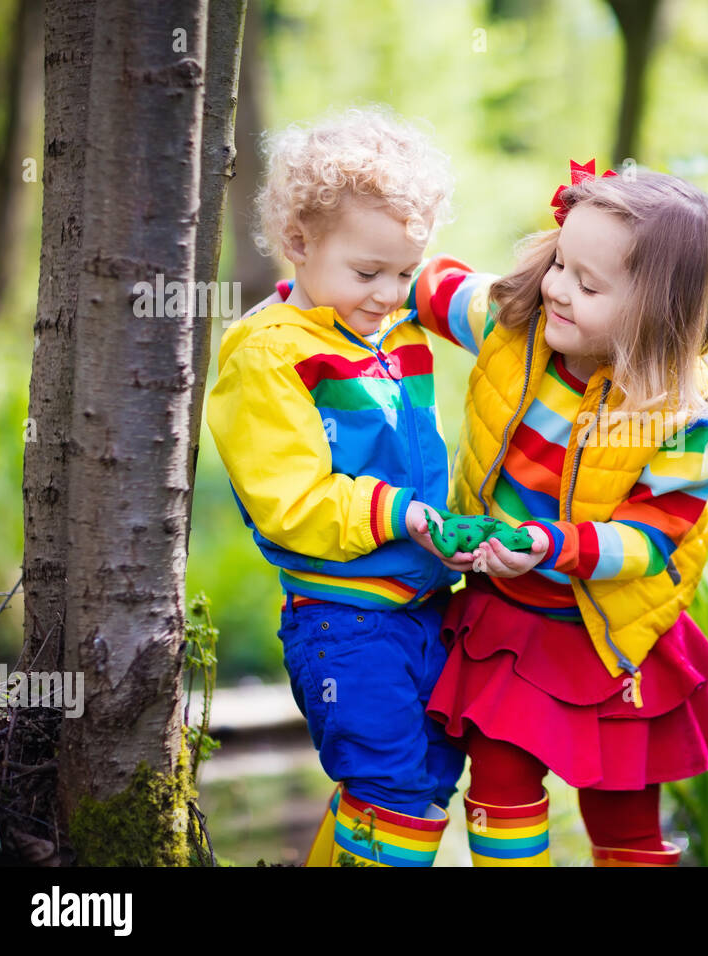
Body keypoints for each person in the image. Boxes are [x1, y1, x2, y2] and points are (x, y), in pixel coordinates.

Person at [415, 160, 708, 866]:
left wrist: (551, 543)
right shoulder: (515, 325)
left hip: (614, 635)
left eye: (589, 285)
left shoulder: (678, 418)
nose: (559, 288)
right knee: (499, 790)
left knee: (624, 812)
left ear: (659, 315)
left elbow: (653, 539)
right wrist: (315, 291)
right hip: (509, 621)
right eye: (561, 262)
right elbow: (424, 283)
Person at [205, 107, 466, 867]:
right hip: (345, 623)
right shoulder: (271, 355)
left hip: (424, 607)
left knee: (426, 785)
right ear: (299, 244)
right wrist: (401, 514)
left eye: (405, 273)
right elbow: (289, 503)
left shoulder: (388, 329)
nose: (391, 295)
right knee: (388, 791)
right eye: (367, 273)